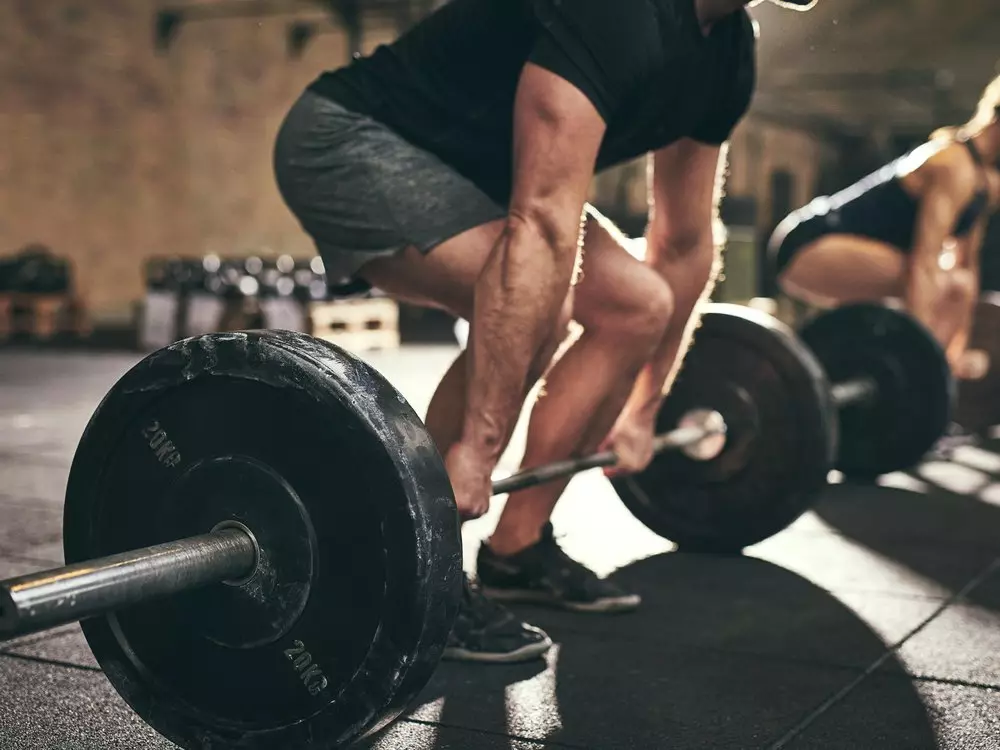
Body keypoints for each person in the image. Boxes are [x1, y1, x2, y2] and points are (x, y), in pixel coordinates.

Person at [274, 0, 818, 664]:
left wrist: (647, 405)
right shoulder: (621, 13)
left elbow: (682, 242)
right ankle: (411, 573)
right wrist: (478, 447)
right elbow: (542, 223)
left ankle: (517, 550)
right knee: (541, 311)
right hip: (352, 140)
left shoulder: (727, 48)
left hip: (478, 174)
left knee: (638, 305)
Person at [770, 74, 1000, 379]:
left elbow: (968, 269)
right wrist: (919, 356)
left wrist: (958, 352)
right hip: (808, 243)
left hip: (859, 254)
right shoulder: (953, 165)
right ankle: (919, 369)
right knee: (941, 283)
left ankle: (931, 373)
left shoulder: (985, 184)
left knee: (959, 284)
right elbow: (924, 263)